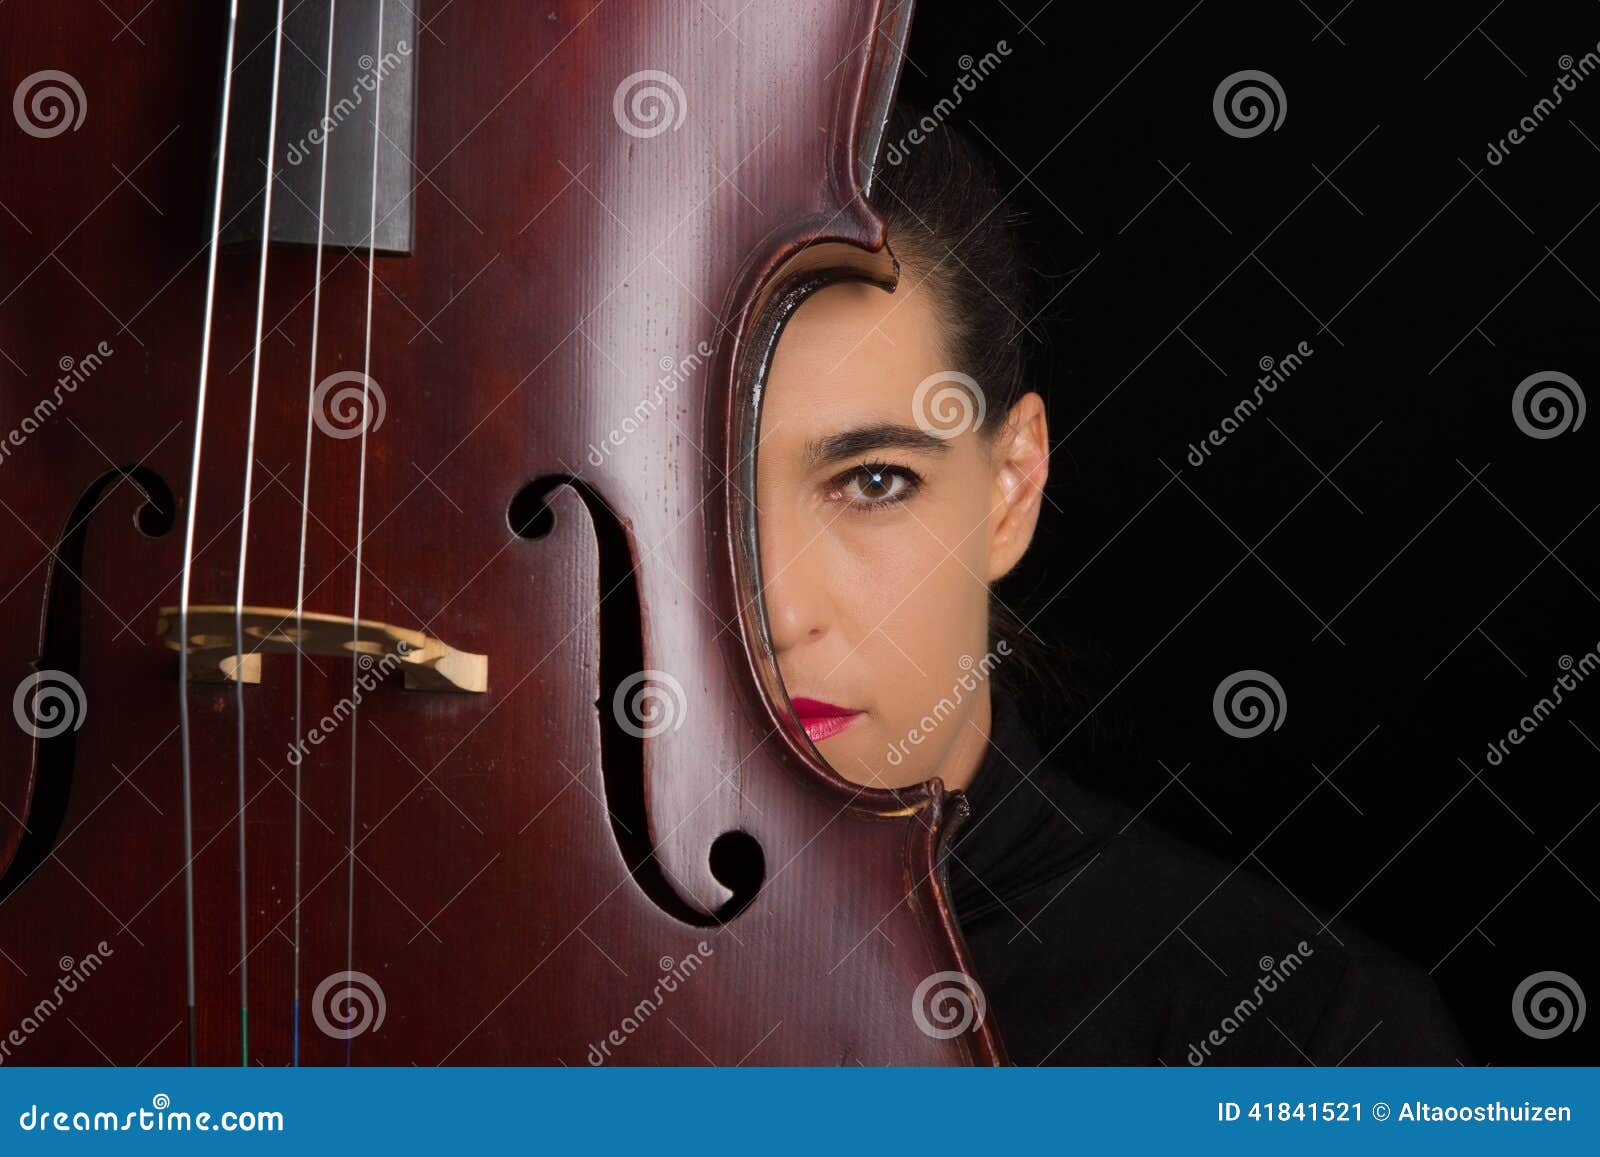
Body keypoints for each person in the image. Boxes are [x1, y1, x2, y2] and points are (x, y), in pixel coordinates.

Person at [753, 103, 1468, 1065]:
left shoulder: (1312, 1041)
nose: (782, 612)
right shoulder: (497, 990)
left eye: (876, 481)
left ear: (1010, 491)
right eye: (699, 497)